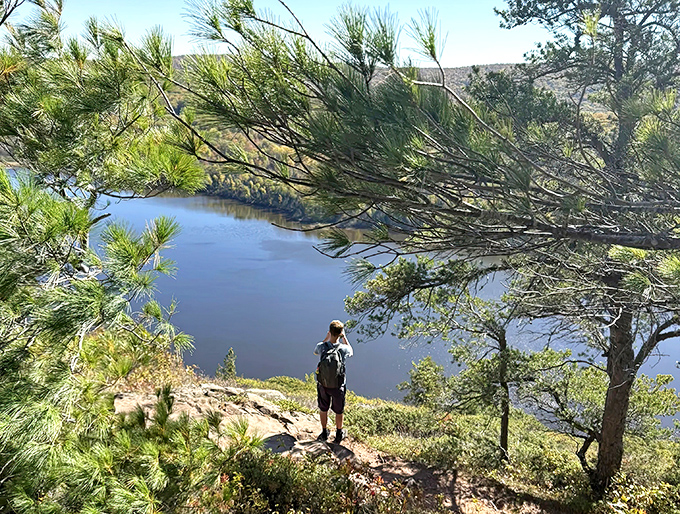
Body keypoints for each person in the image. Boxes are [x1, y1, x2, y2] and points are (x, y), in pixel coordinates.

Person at [314, 320, 353, 444]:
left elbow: (315, 352)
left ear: (330, 332)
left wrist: (326, 337)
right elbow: (351, 351)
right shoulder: (343, 349)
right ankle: (338, 434)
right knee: (339, 411)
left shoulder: (322, 346)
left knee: (323, 409)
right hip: (338, 386)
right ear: (340, 333)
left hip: (323, 385)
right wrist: (344, 338)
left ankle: (324, 432)